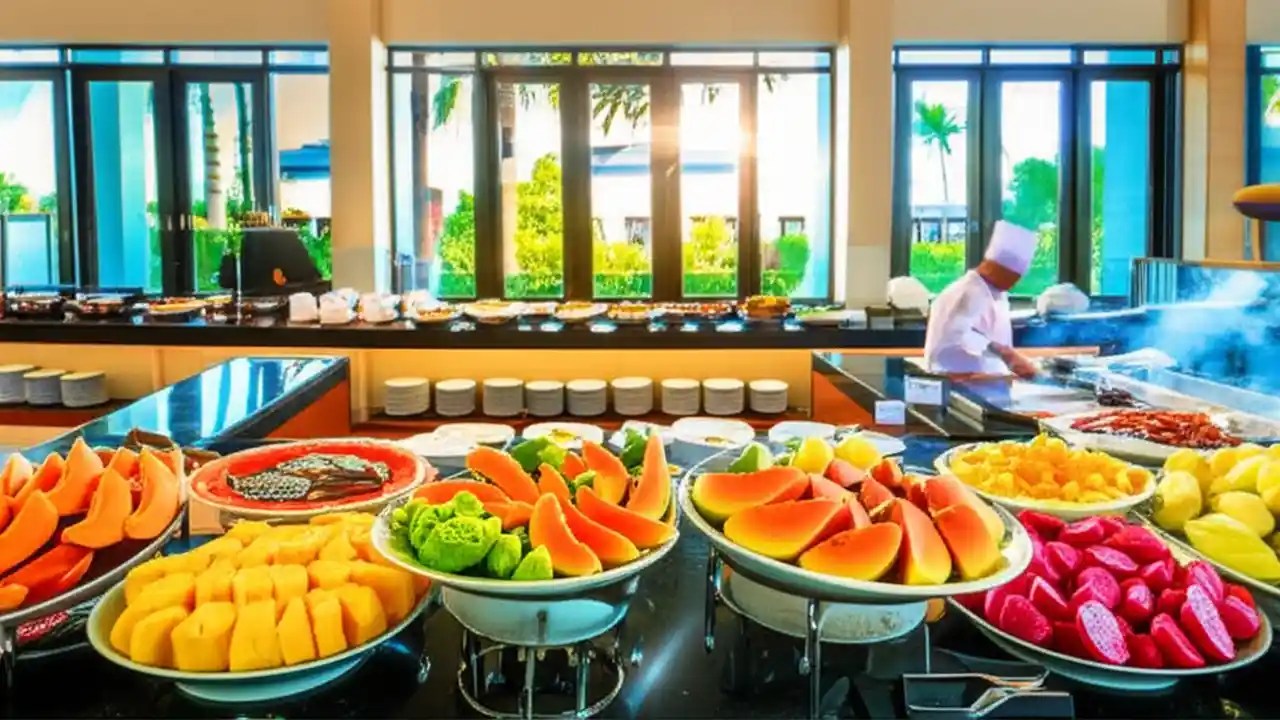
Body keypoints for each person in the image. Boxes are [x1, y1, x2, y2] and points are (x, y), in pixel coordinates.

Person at [923, 220, 1040, 379]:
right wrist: (1008, 355)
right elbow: (961, 336)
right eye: (1012, 277)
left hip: (987, 381)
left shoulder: (995, 292)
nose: (1014, 284)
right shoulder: (968, 293)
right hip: (957, 381)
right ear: (994, 268)